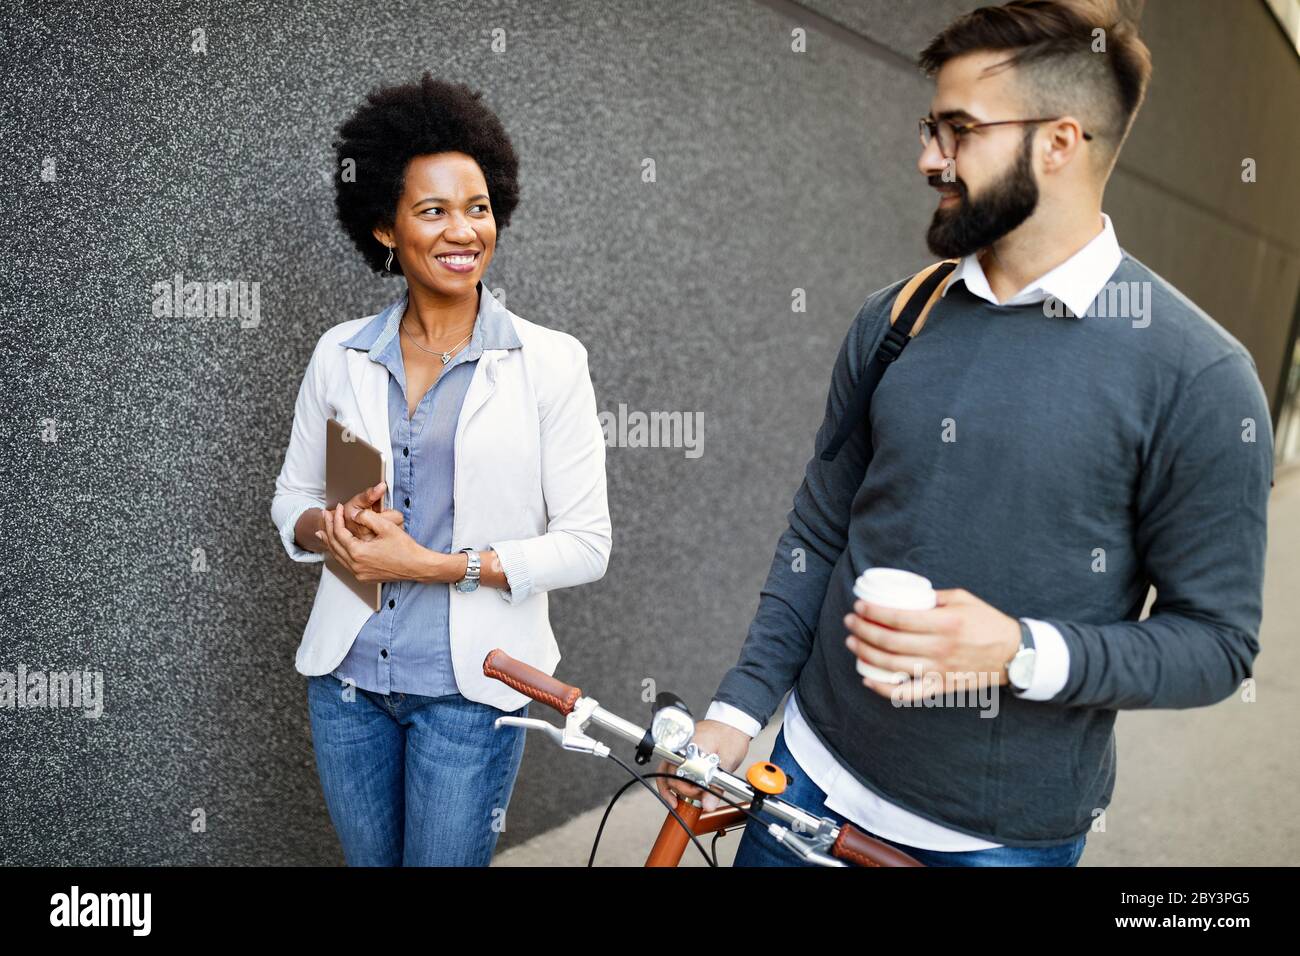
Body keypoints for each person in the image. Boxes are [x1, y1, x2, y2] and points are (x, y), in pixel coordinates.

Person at [657, 0, 1274, 866]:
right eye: (929, 125)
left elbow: (1215, 643)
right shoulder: (898, 316)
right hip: (801, 782)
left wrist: (1021, 652)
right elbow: (818, 531)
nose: (926, 158)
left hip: (996, 845)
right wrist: (736, 711)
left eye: (957, 130)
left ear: (1059, 142)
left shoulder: (1201, 378)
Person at [270, 73, 611, 866]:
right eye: (433, 210)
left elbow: (587, 545)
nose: (463, 230)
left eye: (478, 207)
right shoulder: (341, 353)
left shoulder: (549, 363)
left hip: (473, 692)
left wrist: (430, 564)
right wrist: (333, 526)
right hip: (348, 683)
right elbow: (292, 500)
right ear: (386, 229)